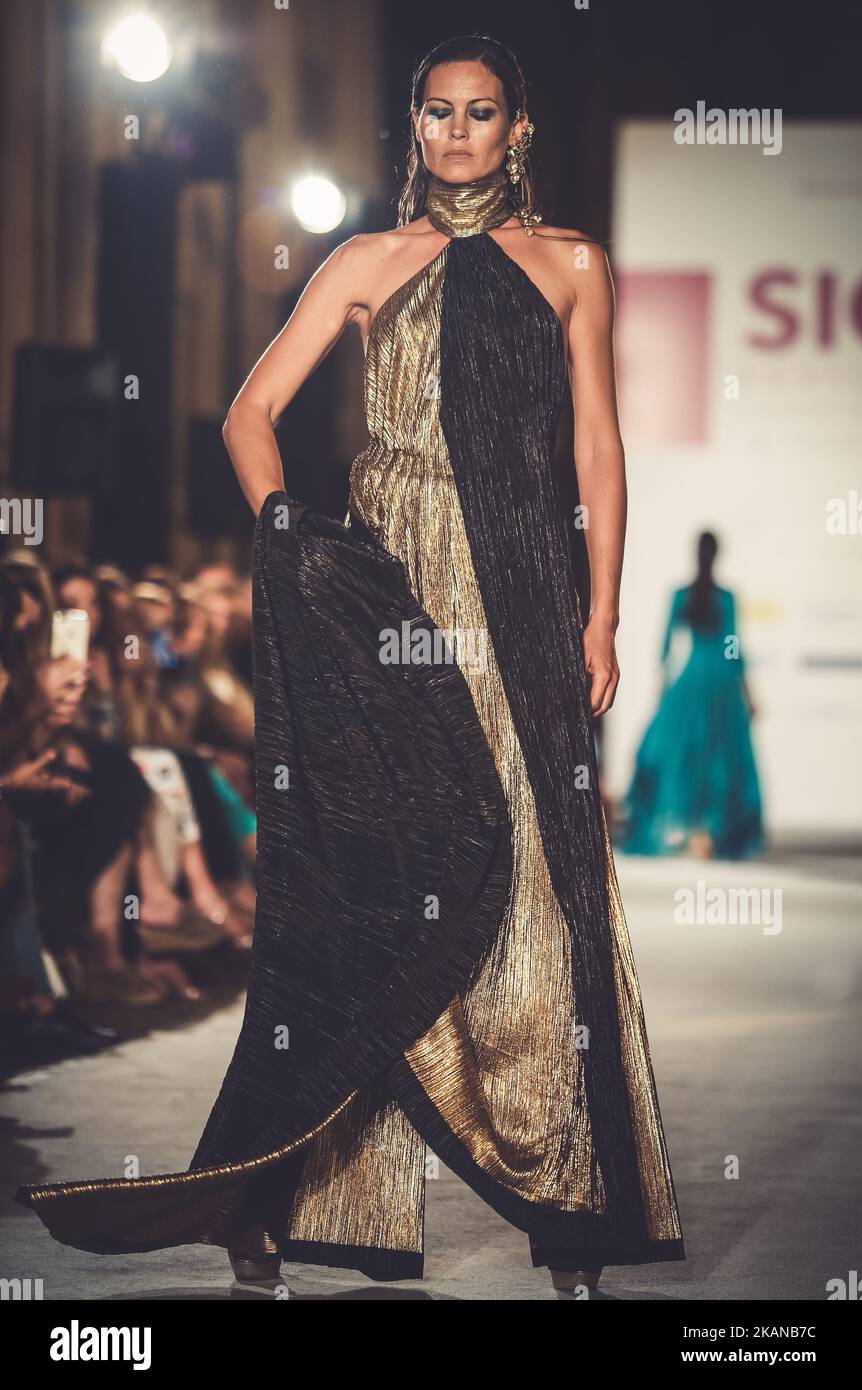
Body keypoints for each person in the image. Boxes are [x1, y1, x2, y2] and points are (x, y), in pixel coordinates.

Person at [14, 34, 685, 1298]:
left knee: (541, 890)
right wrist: (285, 539)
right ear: (416, 127)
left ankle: (571, 1216)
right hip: (385, 602)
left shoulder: (574, 266)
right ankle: (285, 1195)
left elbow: (595, 446)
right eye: (437, 113)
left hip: (527, 595)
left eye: (481, 114)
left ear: (517, 130)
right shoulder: (366, 264)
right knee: (367, 891)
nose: (458, 134)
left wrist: (598, 613)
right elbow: (246, 414)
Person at [620, 531, 764, 860]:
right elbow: (733, 648)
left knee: (682, 752)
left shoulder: (681, 595)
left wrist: (663, 695)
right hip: (720, 681)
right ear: (717, 555)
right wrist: (746, 692)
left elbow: (667, 649)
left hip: (691, 676)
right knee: (722, 756)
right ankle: (710, 832)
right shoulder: (725, 597)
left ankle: (690, 830)